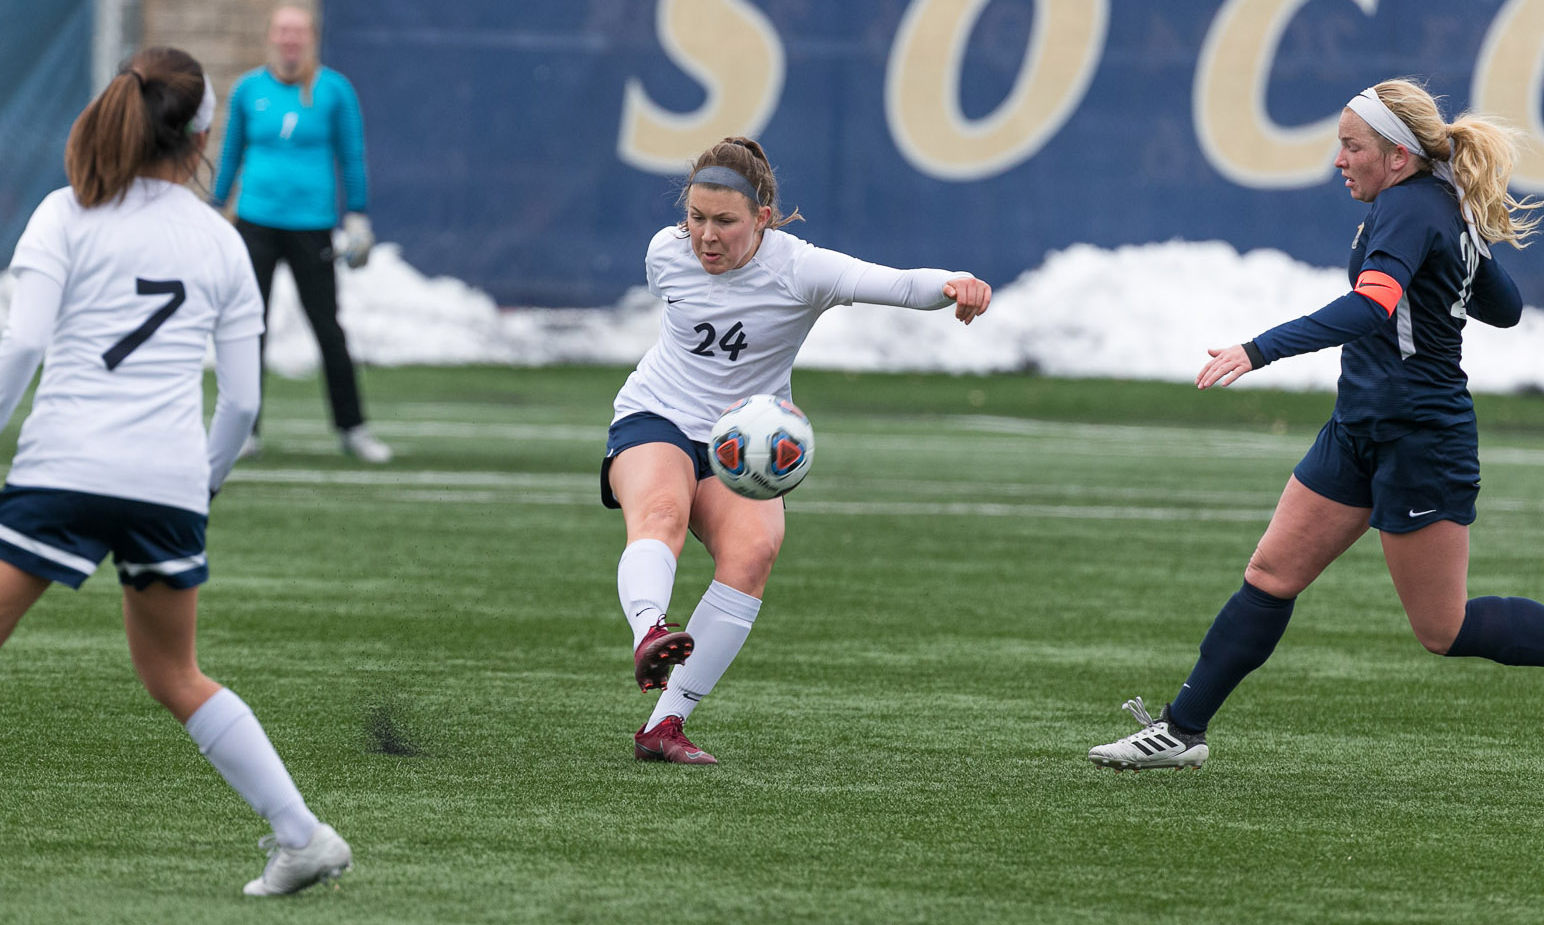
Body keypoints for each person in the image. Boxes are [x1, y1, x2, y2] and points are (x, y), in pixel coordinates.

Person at [0, 47, 352, 896]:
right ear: (205, 131)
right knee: (176, 675)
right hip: (167, 483)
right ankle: (302, 836)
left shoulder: (68, 213)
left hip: (64, 467)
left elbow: (23, 343)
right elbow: (241, 404)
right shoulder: (220, 240)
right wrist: (197, 487)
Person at [1088, 79, 1536, 771]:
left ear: (1396, 156)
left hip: (1420, 440)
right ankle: (1181, 731)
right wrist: (1465, 247)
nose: (1338, 159)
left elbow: (1371, 308)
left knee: (1442, 629)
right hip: (1359, 426)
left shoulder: (1410, 206)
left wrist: (1257, 348)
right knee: (1270, 573)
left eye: (1351, 146)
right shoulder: (1430, 203)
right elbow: (1503, 309)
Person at [604, 136, 993, 764]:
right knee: (661, 514)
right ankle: (651, 629)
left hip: (742, 442)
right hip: (659, 414)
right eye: (696, 217)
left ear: (762, 217)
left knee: (753, 553)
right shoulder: (664, 253)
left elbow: (893, 284)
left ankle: (664, 726)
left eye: (724, 221)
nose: (705, 235)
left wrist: (956, 285)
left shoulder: (799, 269)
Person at [210, 4, 389, 464]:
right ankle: (243, 430)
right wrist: (215, 208)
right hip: (256, 222)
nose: (290, 40)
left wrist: (358, 215)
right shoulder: (249, 89)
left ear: (310, 37)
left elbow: (352, 156)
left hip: (312, 226)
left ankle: (353, 429)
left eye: (298, 32)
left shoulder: (333, 90)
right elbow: (231, 153)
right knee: (249, 327)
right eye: (283, 31)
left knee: (328, 328)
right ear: (271, 36)